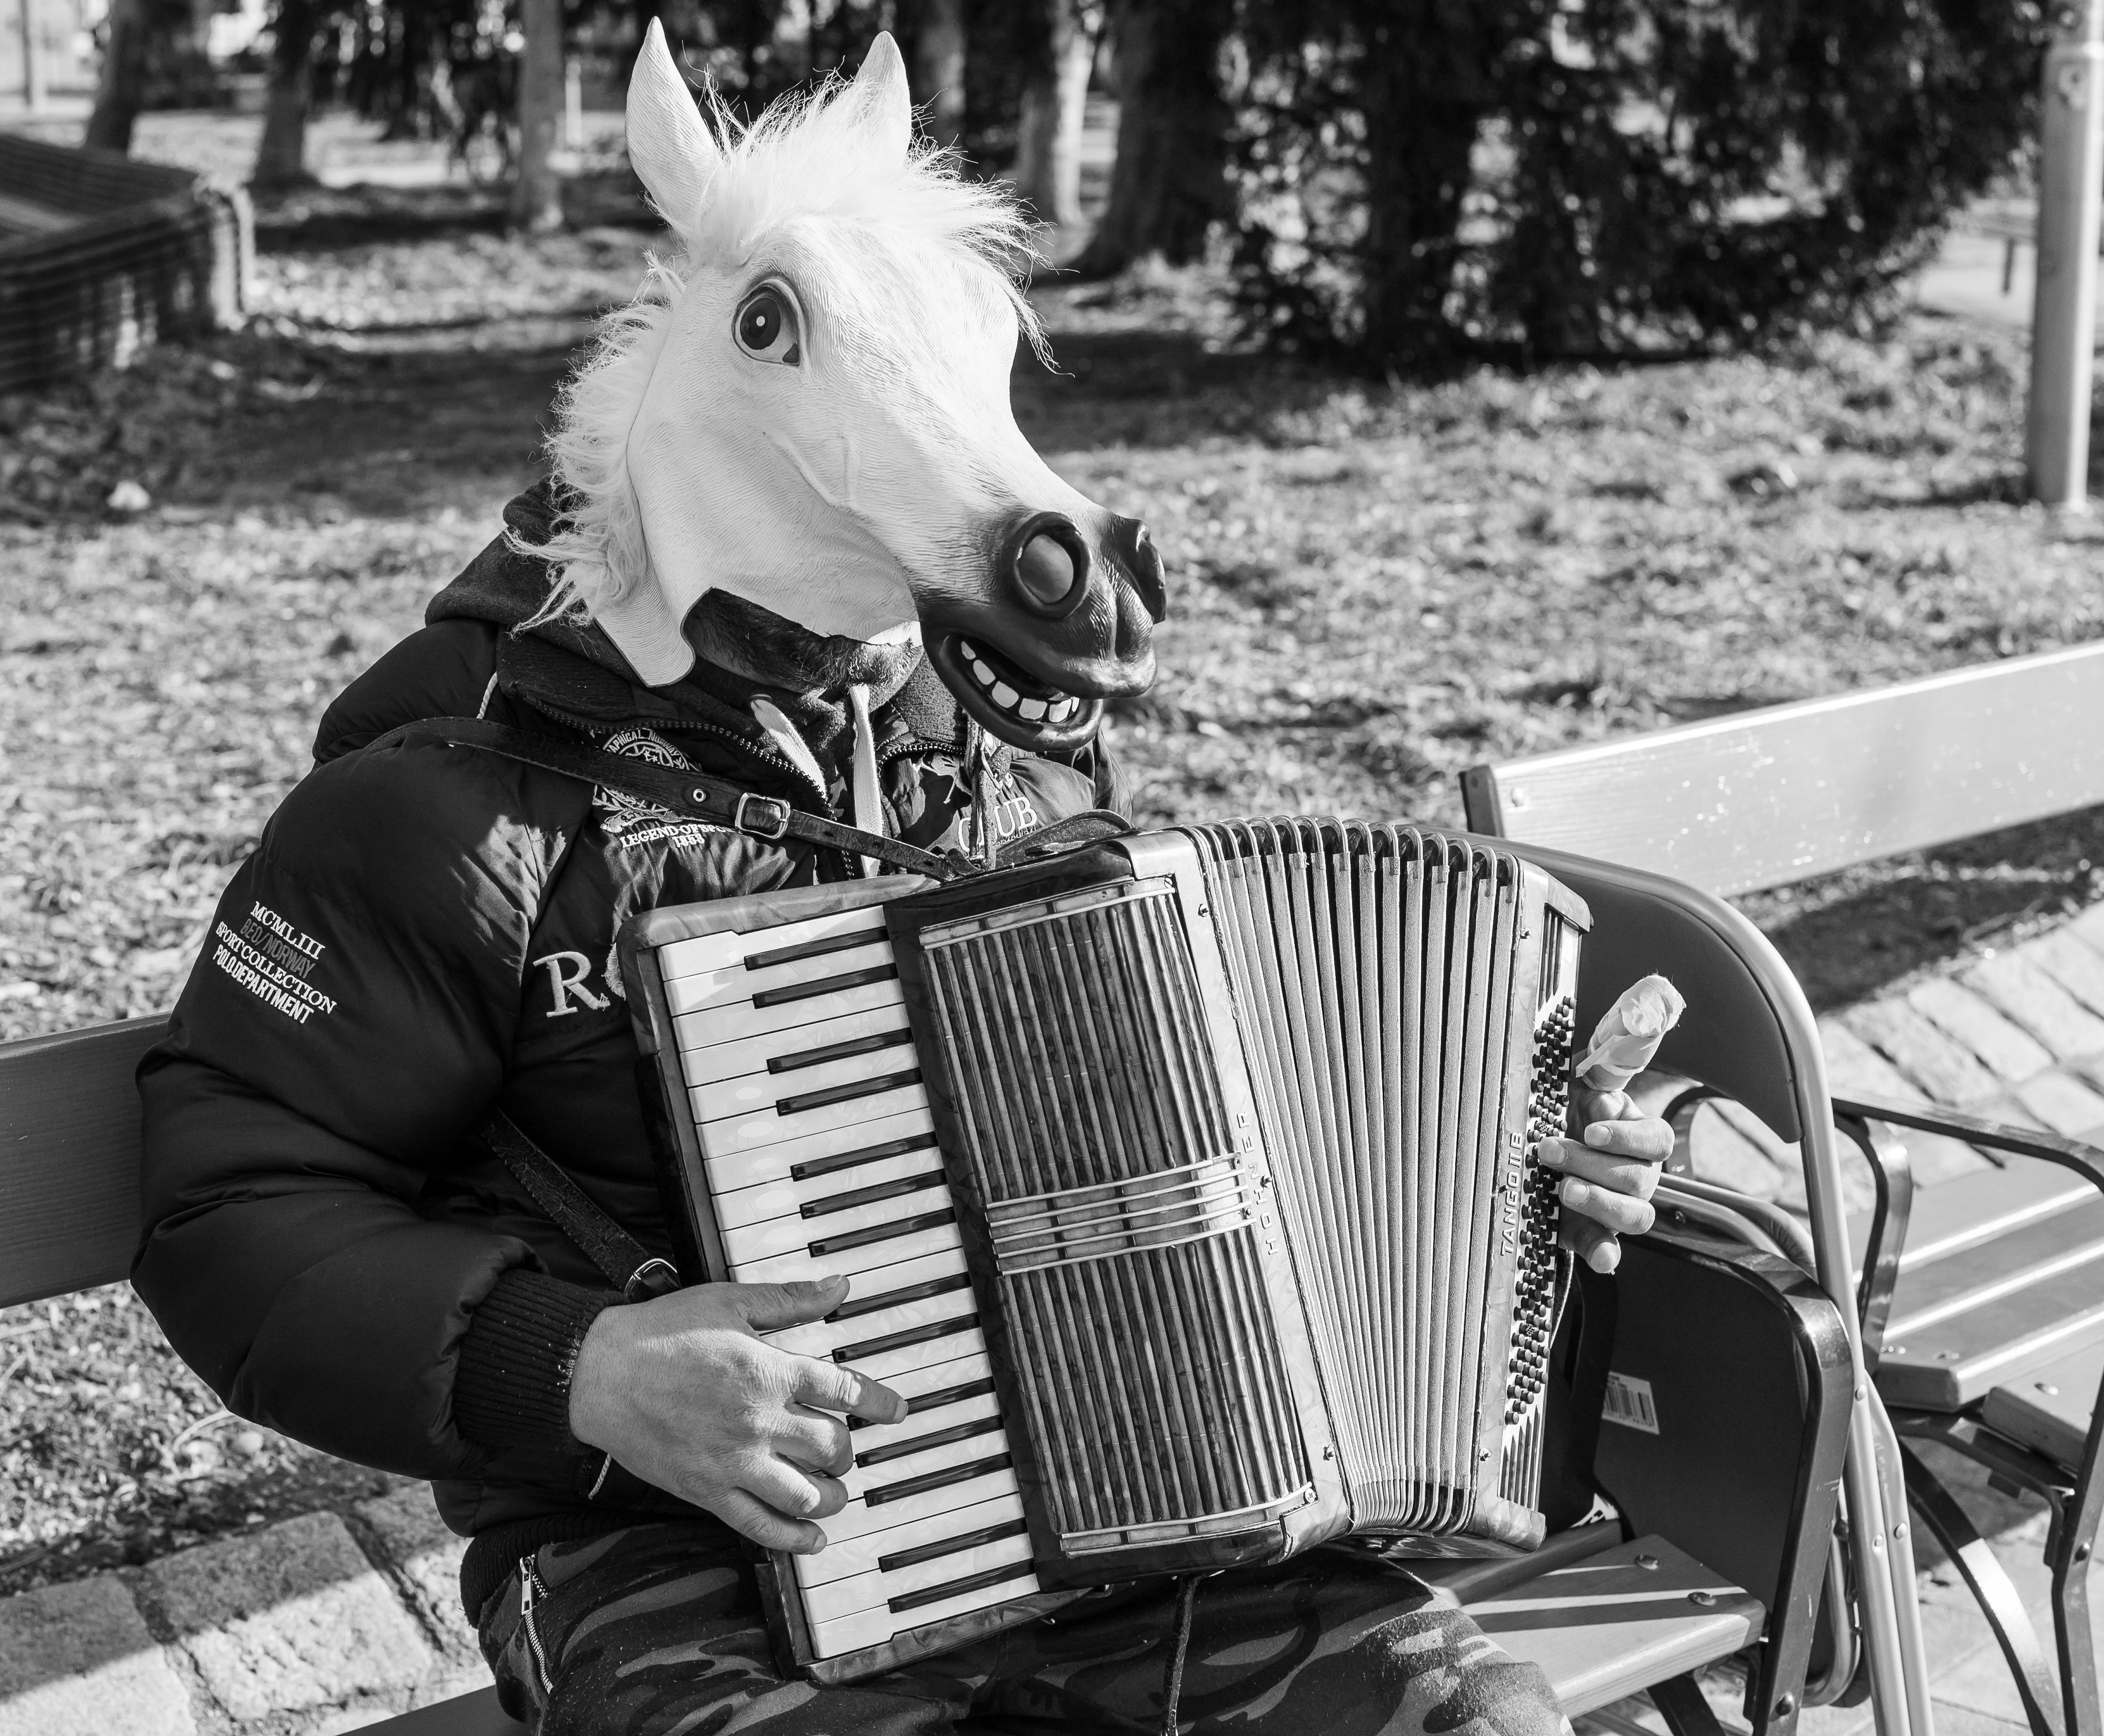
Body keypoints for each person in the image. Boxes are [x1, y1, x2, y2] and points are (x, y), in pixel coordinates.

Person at [133, 29, 1674, 1736]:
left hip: (1141, 1481)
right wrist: (582, 1368)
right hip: (666, 1558)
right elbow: (227, 1213)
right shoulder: (439, 812)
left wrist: (1513, 1174)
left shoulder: (989, 752)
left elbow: (1215, 1126)